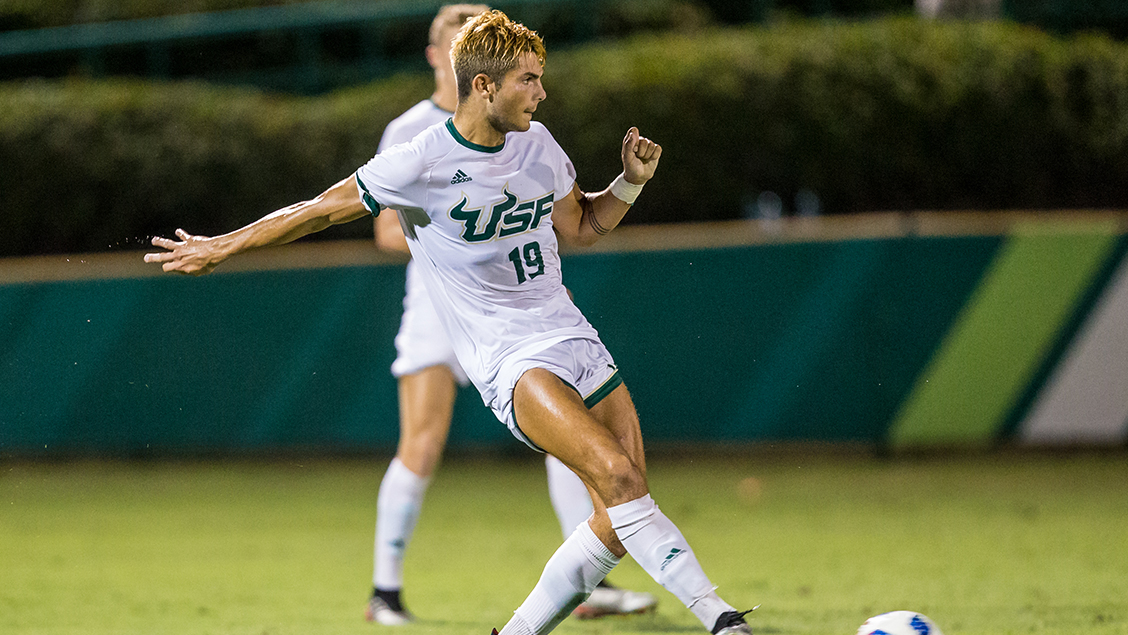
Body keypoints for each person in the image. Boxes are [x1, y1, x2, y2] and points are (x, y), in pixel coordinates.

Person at [144, 9, 754, 635]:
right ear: (484, 85)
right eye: (528, 80)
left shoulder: (539, 144)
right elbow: (319, 211)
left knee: (621, 513)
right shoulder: (421, 157)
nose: (542, 93)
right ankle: (723, 619)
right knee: (616, 477)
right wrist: (222, 246)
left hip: (574, 336)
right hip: (511, 356)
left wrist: (628, 183)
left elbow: (581, 225)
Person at [366, 4, 656, 625]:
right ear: (444, 58)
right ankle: (384, 592)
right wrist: (461, 235)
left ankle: (589, 581)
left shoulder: (520, 132)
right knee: (422, 442)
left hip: (516, 317)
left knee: (568, 438)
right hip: (441, 310)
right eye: (455, 39)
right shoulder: (413, 134)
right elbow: (386, 230)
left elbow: (570, 217)